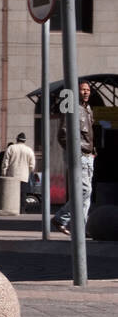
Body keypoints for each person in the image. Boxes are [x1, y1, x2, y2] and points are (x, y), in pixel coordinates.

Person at [53, 80, 97, 237]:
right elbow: (62, 135)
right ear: (76, 92)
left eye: (88, 90)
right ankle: (61, 218)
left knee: (86, 196)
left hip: (88, 156)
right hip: (79, 155)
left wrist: (92, 151)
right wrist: (74, 152)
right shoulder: (73, 109)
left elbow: (89, 135)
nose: (86, 92)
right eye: (82, 90)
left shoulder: (88, 110)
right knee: (84, 190)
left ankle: (81, 228)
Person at [0, 132, 35, 211]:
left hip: (12, 174)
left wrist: (4, 172)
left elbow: (5, 161)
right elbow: (32, 165)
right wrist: (28, 171)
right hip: (24, 175)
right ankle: (22, 209)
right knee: (23, 194)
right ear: (25, 141)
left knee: (11, 193)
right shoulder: (29, 150)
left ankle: (11, 208)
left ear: (17, 139)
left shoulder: (11, 148)